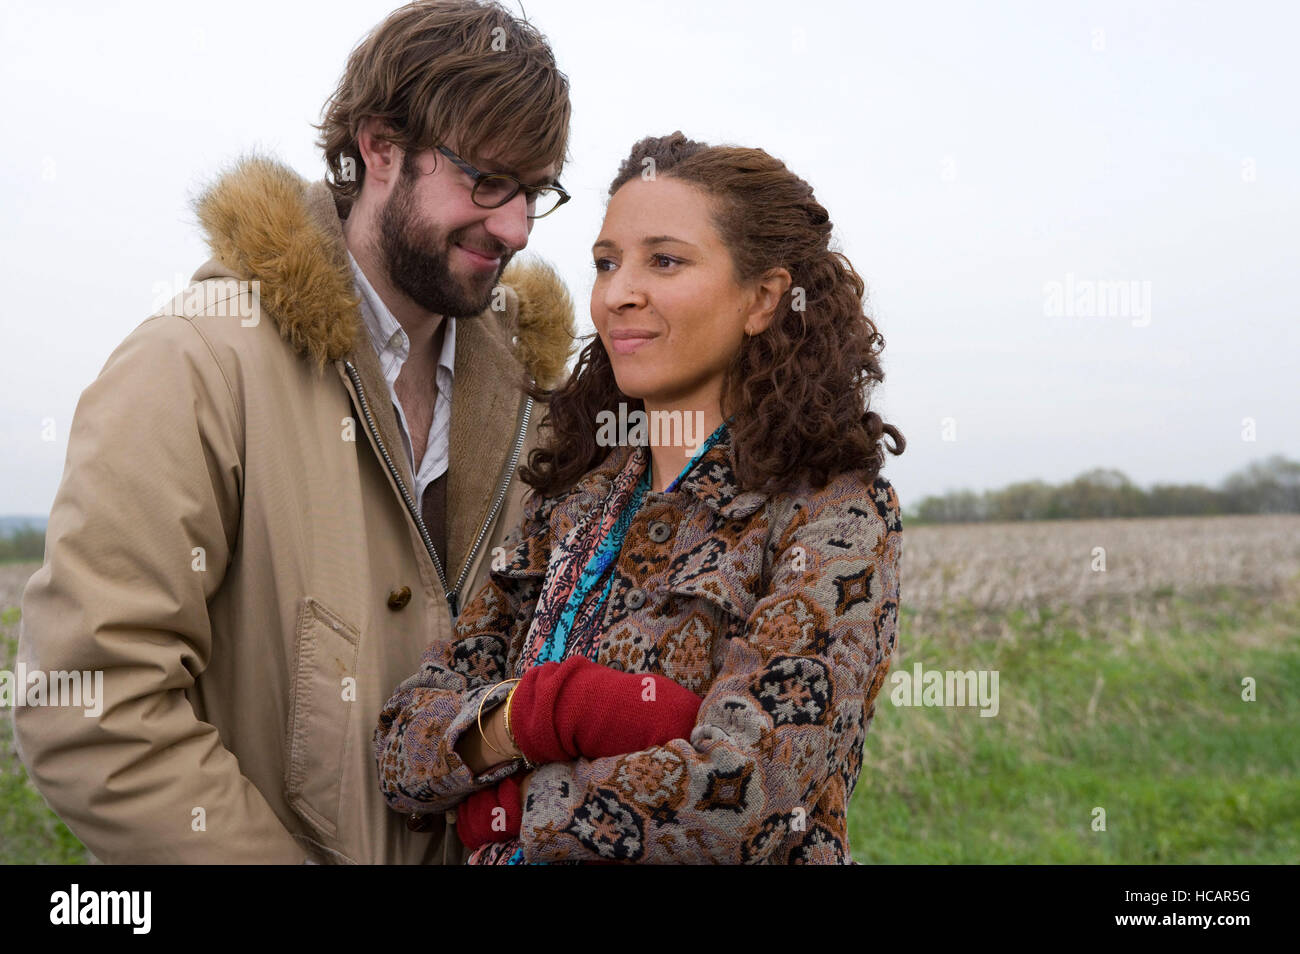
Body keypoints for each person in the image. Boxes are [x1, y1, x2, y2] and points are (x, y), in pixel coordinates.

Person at [13, 0, 575, 864]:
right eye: (486, 180)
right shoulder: (195, 363)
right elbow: (89, 702)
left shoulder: (538, 401)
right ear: (379, 147)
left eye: (534, 192)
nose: (514, 228)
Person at [375, 130, 906, 864]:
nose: (619, 291)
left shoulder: (832, 515)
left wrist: (505, 803)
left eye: (665, 260)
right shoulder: (571, 505)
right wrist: (543, 714)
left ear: (762, 298)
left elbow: (738, 799)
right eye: (606, 262)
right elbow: (403, 749)